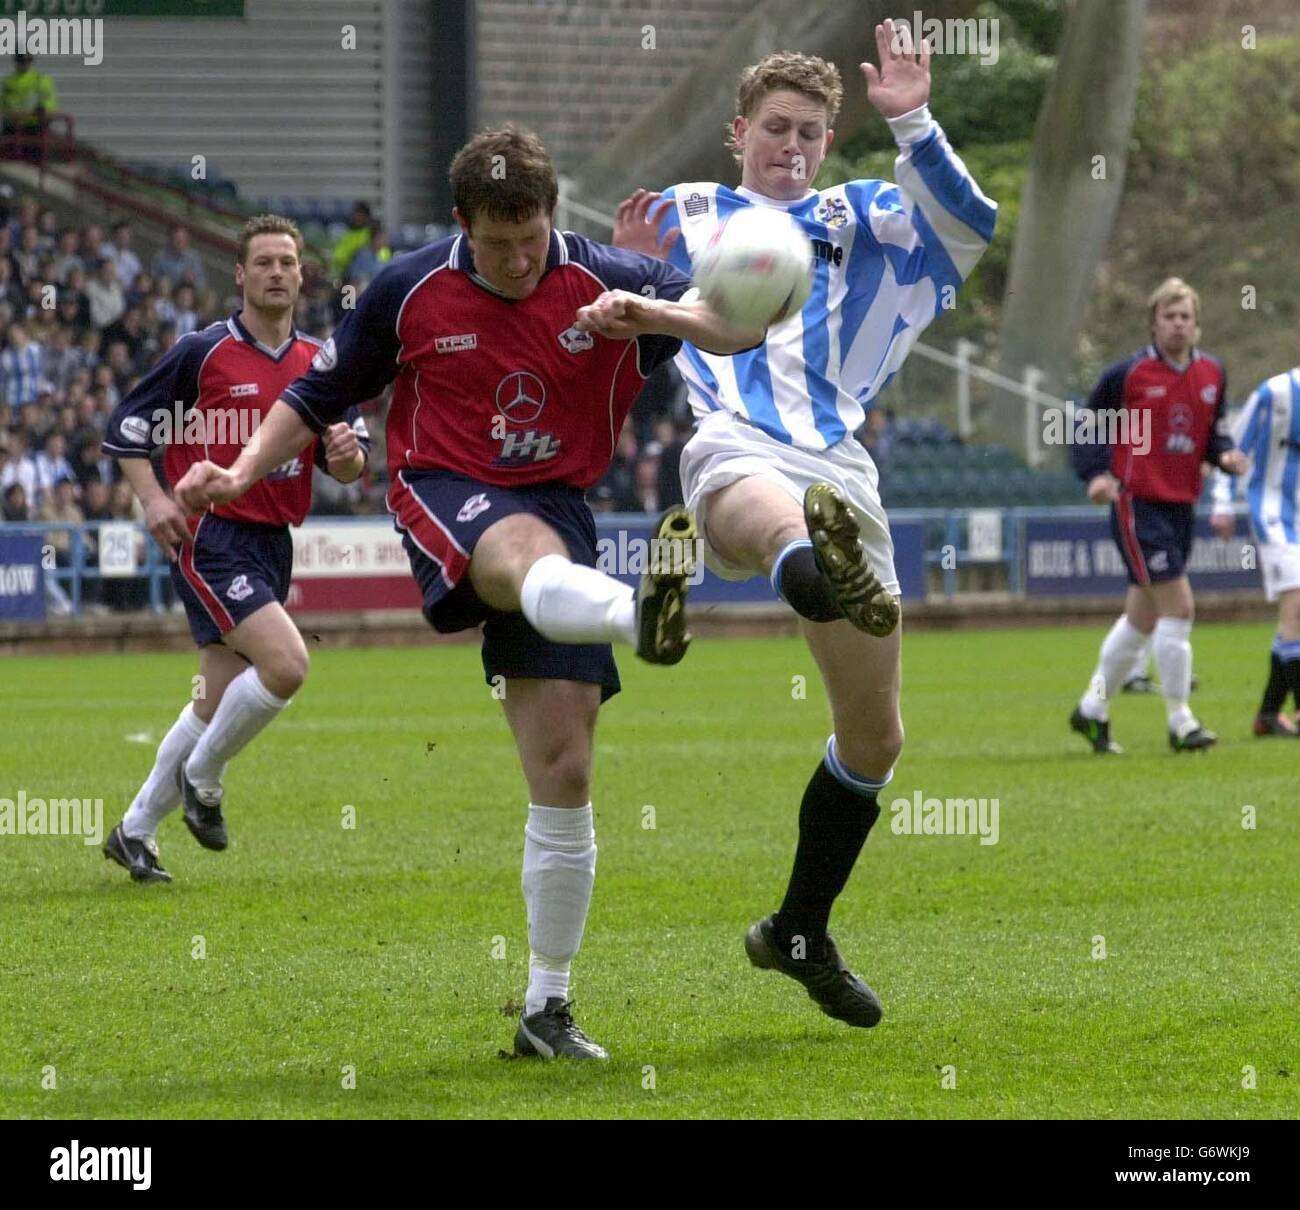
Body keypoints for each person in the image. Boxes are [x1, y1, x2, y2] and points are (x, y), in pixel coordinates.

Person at [174, 125, 764, 1060]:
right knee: (514, 552)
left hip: (563, 509)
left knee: (565, 768)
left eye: (531, 236)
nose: (521, 258)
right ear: (462, 226)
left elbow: (740, 326)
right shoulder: (406, 291)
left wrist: (653, 320)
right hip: (445, 490)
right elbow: (316, 401)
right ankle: (633, 609)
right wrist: (243, 470)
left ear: (551, 212)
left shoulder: (609, 277)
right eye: (498, 244)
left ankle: (546, 1008)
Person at [614, 25, 995, 1027]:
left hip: (839, 461)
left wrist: (911, 119)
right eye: (775, 126)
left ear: (830, 142)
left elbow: (969, 224)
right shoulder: (686, 213)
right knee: (756, 502)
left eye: (812, 131)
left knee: (875, 737)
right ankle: (797, 561)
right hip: (731, 433)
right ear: (737, 130)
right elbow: (593, 299)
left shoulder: (859, 211)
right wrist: (628, 285)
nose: (792, 142)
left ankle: (795, 930)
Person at [100, 214, 370, 884]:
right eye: (265, 263)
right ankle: (205, 776)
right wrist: (156, 500)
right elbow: (127, 427)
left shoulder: (321, 362)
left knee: (214, 700)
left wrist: (346, 456)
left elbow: (350, 464)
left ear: (302, 275)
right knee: (286, 666)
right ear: (242, 276)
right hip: (214, 536)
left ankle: (134, 832)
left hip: (274, 540)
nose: (277, 272)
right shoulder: (203, 351)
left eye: (288, 261)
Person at [1068, 278, 1247, 754]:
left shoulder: (1213, 373)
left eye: (1186, 316)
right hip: (1137, 504)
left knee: (1141, 620)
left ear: (1197, 323)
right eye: (1169, 316)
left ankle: (1091, 711)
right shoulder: (1128, 374)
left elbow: (1215, 434)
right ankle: (1180, 720)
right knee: (1180, 608)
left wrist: (1226, 456)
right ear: (1153, 323)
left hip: (1182, 505)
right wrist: (1096, 474)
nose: (1178, 324)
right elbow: (1087, 425)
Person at [1211, 357, 1300, 736]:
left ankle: (1267, 715)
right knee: (1297, 606)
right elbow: (1231, 449)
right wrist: (1222, 503)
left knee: (1292, 622)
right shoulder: (1274, 392)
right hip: (1274, 516)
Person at [150, 225, 206, 291]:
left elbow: (202, 283)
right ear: (170, 239)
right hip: (166, 293)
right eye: (177, 238)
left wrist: (192, 280)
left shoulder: (194, 257)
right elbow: (153, 279)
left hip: (186, 294)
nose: (180, 241)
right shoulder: (160, 257)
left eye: (183, 238)